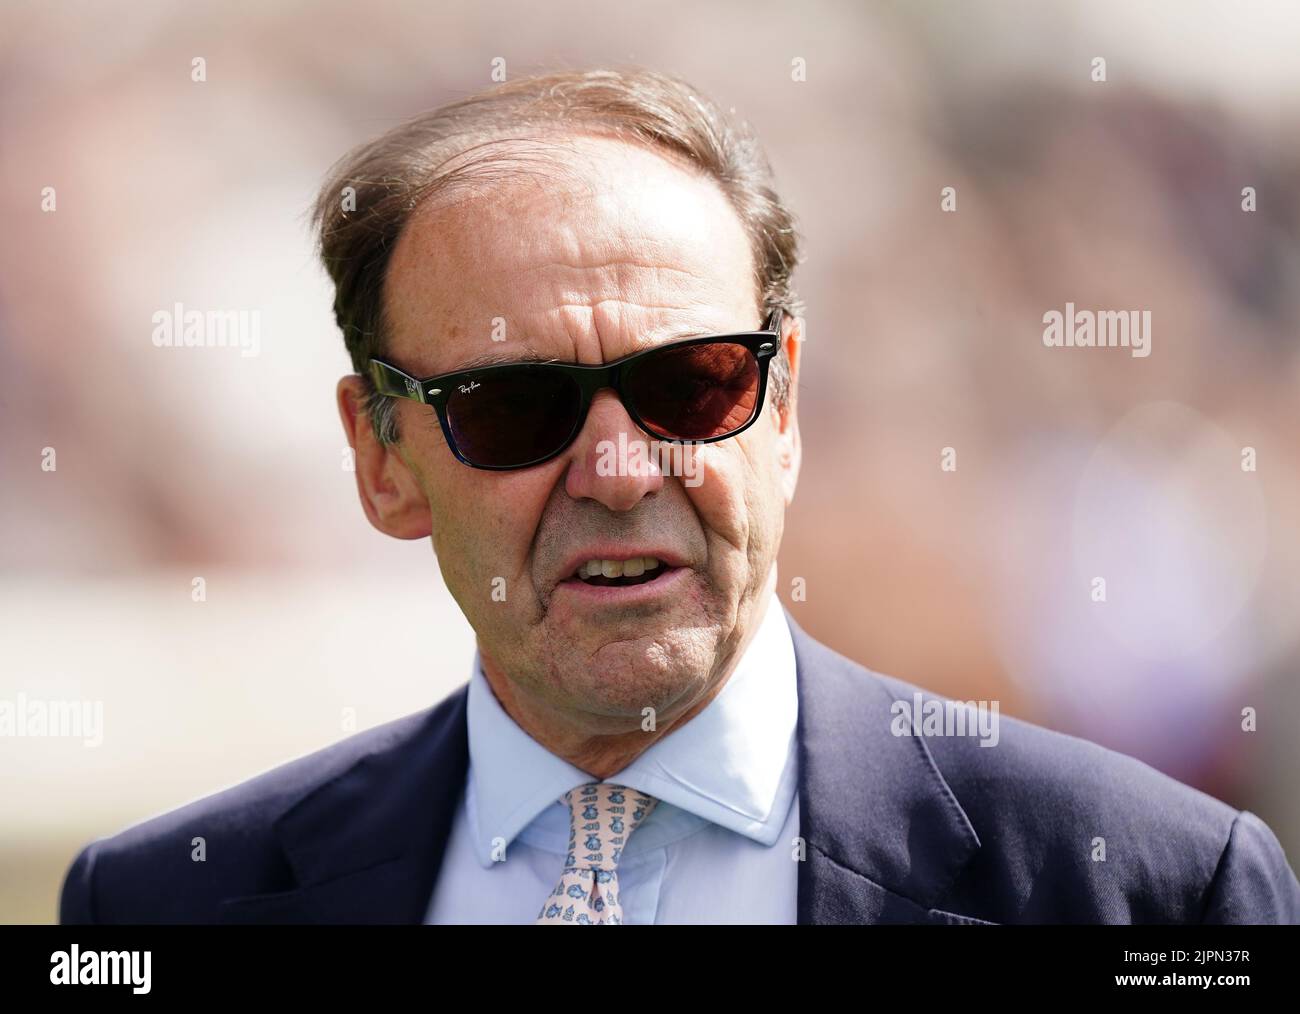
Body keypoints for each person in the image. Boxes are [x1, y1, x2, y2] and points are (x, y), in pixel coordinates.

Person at [60, 67, 1300, 925]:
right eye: (514, 408)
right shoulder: (165, 904)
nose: (616, 471)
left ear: (786, 407)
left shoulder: (1140, 889)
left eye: (693, 385)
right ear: (383, 459)